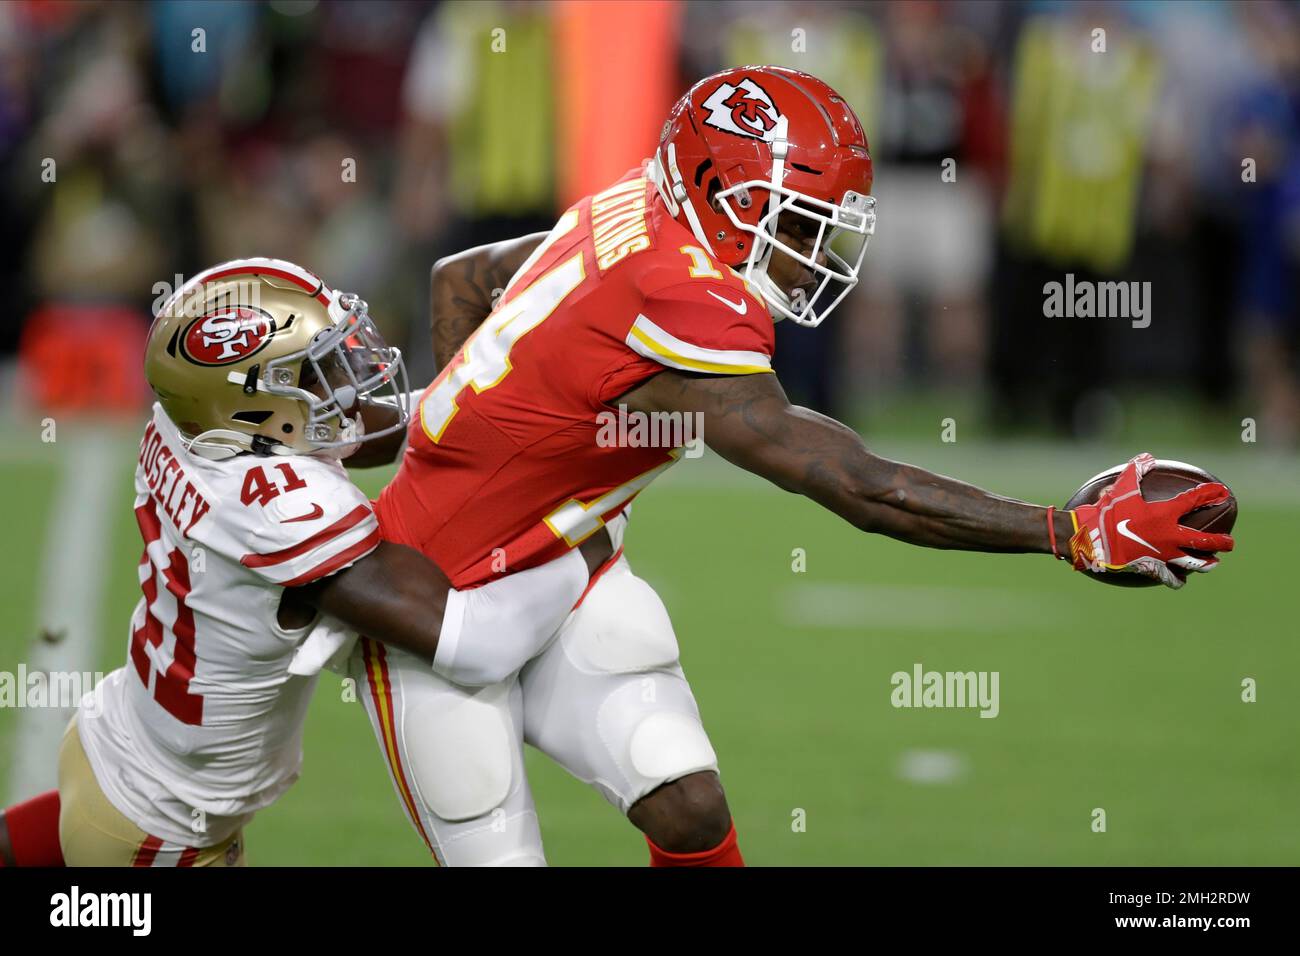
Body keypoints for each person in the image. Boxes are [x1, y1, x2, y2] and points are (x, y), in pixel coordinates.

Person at [359, 66, 1234, 867]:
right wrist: (1066, 532)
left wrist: (468, 420)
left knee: (688, 805)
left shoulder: (639, 202)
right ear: (720, 197)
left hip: (557, 565)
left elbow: (460, 278)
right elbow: (852, 483)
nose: (815, 251)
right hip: (436, 600)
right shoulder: (684, 292)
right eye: (799, 222)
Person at [5, 257, 611, 866]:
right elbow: (477, 644)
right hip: (162, 826)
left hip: (116, 745)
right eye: (313, 372)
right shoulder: (281, 513)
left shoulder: (191, 421)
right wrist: (590, 537)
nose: (344, 383)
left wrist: (505, 403)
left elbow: (372, 429)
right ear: (250, 403)